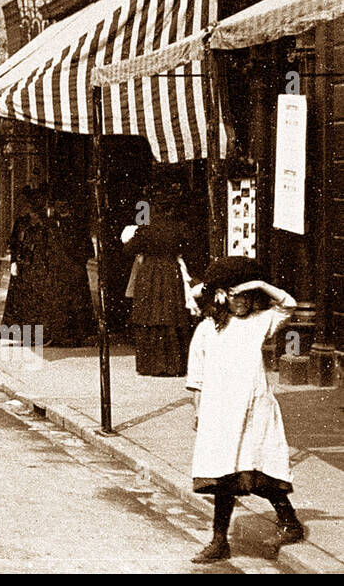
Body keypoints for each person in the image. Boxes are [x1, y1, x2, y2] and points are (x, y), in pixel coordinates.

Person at [187, 257, 304, 564]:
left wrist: (260, 283)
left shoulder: (259, 323)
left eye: (247, 295)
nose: (241, 301)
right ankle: (218, 540)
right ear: (221, 296)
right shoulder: (206, 330)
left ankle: (290, 522)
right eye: (235, 294)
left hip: (254, 409)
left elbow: (288, 305)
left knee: (261, 472)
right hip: (220, 413)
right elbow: (196, 377)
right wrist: (199, 413)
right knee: (224, 477)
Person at [122, 194, 193, 376]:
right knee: (171, 315)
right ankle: (173, 365)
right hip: (171, 272)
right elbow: (187, 248)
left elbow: (128, 249)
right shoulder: (179, 228)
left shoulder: (146, 229)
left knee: (148, 315)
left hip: (149, 273)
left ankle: (150, 365)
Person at [31, 199, 96, 347]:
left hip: (74, 270)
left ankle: (80, 336)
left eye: (64, 204)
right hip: (58, 270)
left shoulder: (77, 225)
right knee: (60, 303)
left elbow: (87, 249)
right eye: (58, 204)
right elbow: (45, 248)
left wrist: (78, 260)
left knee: (78, 302)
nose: (61, 207)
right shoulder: (50, 225)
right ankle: (62, 336)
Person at [0, 186, 42, 333]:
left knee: (34, 302)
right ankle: (18, 333)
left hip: (37, 267)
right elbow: (14, 243)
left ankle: (33, 334)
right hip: (22, 265)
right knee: (19, 301)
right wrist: (13, 262)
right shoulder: (21, 222)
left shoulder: (43, 223)